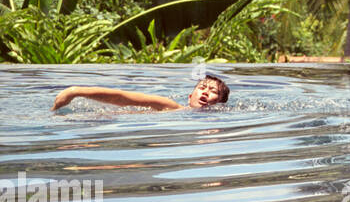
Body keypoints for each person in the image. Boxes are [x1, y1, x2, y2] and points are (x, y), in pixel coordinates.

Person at [51, 74, 230, 112]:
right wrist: (75, 91)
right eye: (201, 88)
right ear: (189, 97)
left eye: (213, 91)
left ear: (221, 102)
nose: (205, 92)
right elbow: (122, 97)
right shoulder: (172, 107)